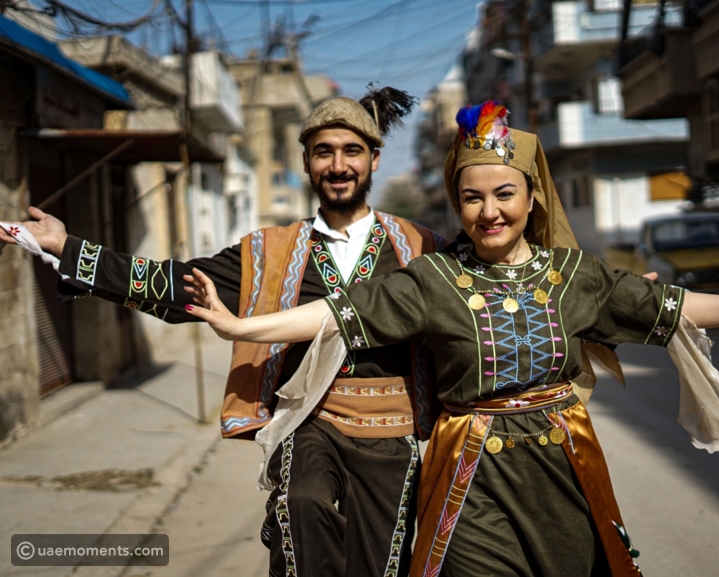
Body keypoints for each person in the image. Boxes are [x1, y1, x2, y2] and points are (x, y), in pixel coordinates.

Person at [181, 102, 719, 577]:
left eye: (505, 194)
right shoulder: (435, 278)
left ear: (532, 196)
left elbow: (680, 308)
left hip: (562, 469)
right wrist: (240, 327)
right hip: (470, 477)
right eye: (471, 197)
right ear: (457, 203)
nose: (489, 212)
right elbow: (334, 315)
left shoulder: (575, 276)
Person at [0, 88, 445, 577]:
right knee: (301, 503)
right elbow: (176, 286)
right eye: (324, 152)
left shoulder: (421, 247)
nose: (338, 165)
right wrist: (69, 249)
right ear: (306, 161)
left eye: (352, 151)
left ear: (375, 160)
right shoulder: (270, 253)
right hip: (311, 419)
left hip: (393, 427)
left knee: (384, 562)